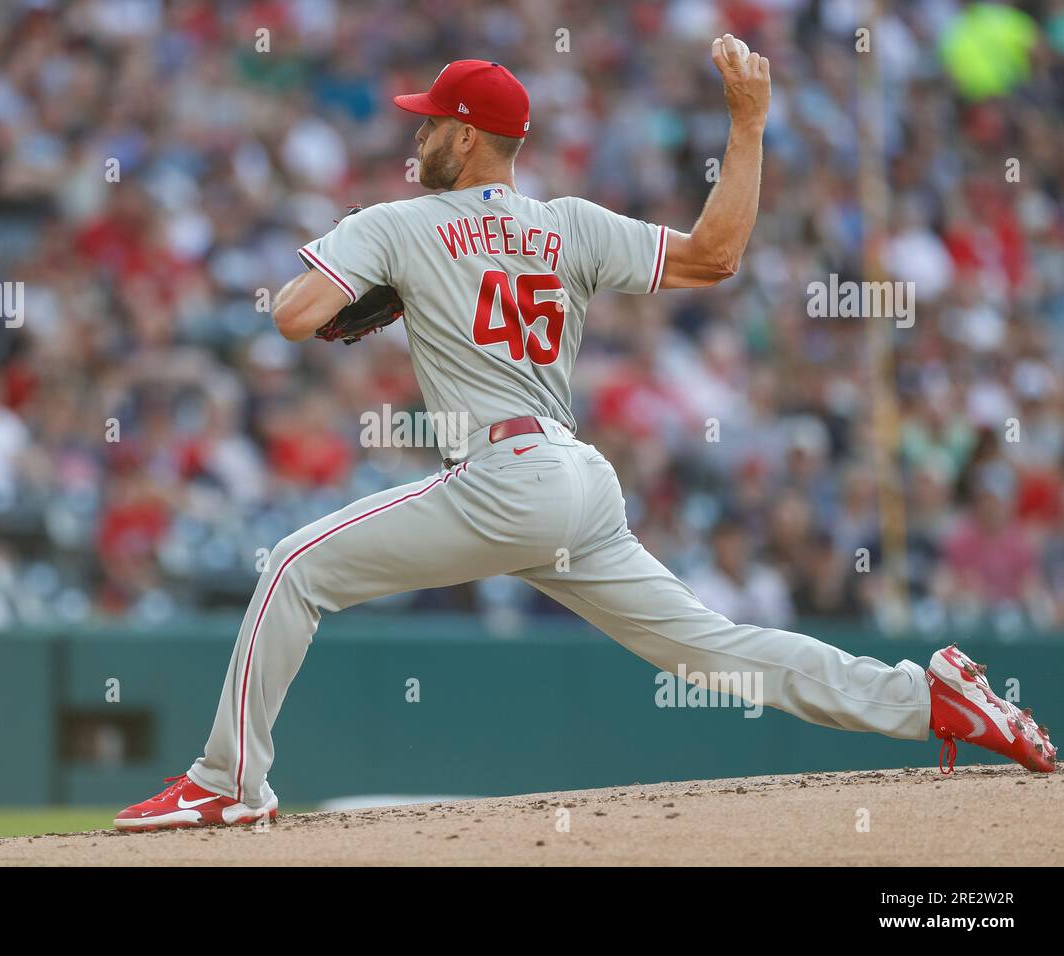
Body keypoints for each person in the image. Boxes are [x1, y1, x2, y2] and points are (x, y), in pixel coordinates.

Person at [114, 41, 1055, 831]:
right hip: (576, 479)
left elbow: (291, 316)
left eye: (431, 121)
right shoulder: (568, 224)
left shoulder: (398, 220)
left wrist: (370, 262)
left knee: (289, 566)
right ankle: (930, 697)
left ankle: (228, 783)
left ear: (470, 136)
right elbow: (715, 255)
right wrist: (750, 123)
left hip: (503, 477)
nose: (417, 134)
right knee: (715, 650)